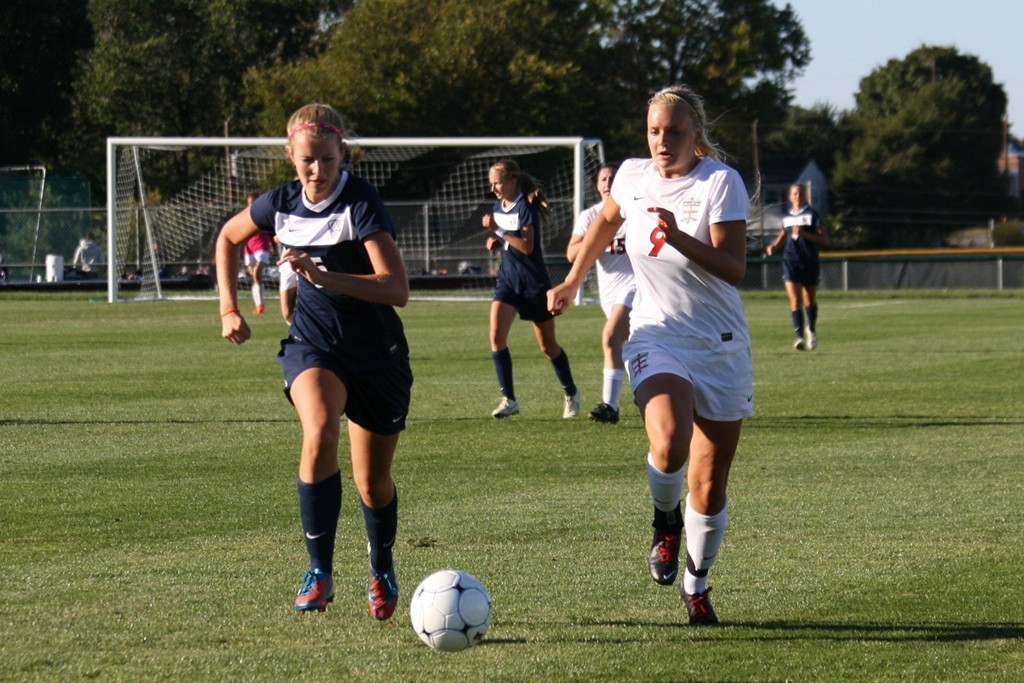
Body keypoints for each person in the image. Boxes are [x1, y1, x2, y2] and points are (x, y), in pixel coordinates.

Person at [548, 85, 753, 625]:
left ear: (696, 134)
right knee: (668, 438)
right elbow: (606, 221)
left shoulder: (720, 182)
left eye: (675, 132)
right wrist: (572, 279)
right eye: (654, 131)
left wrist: (680, 237)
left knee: (708, 486)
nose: (663, 142)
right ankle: (665, 522)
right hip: (655, 333)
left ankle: (697, 582)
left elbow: (735, 268)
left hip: (720, 345)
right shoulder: (634, 175)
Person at [216, 103, 412, 620]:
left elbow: (396, 289)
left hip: (377, 355)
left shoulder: (361, 203)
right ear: (290, 156)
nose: (317, 171)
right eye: (307, 161)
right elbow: (227, 238)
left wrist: (325, 277)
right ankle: (319, 571)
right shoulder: (279, 204)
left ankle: (381, 566)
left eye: (327, 159)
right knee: (320, 428)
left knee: (372, 482)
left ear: (342, 153)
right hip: (314, 347)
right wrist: (229, 307)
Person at [482, 159, 580, 419]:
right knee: (496, 337)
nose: (493, 188)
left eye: (498, 182)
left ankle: (570, 392)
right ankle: (509, 399)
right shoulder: (497, 206)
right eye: (491, 183)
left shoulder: (525, 208)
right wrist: (496, 243)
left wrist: (498, 230)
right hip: (508, 282)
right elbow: (509, 245)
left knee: (548, 346)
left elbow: (526, 247)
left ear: (512, 180)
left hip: (533, 284)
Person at [566, 163, 635, 424]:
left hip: (636, 286)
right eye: (603, 179)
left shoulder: (634, 211)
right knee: (631, 346)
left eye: (613, 178)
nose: (608, 183)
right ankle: (648, 390)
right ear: (597, 185)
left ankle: (610, 406)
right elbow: (572, 254)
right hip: (609, 292)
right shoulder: (590, 216)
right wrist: (600, 237)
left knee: (609, 337)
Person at [765, 183, 827, 350]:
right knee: (795, 300)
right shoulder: (786, 217)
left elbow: (823, 240)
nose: (797, 196)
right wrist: (774, 246)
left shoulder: (812, 215)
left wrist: (805, 233)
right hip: (790, 260)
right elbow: (784, 233)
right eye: (794, 194)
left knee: (809, 300)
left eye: (800, 193)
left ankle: (811, 330)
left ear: (804, 195)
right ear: (790, 197)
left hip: (809, 261)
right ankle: (799, 337)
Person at [242, 192, 274, 315]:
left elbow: (271, 229)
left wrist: (274, 243)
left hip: (262, 247)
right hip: (249, 247)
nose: (251, 205)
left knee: (256, 274)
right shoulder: (244, 216)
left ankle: (261, 304)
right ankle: (258, 305)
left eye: (253, 202)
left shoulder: (263, 214)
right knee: (254, 278)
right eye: (249, 203)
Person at [275, 235, 299, 325]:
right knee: (287, 313)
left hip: (309, 256)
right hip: (287, 258)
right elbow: (276, 238)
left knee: (308, 303)